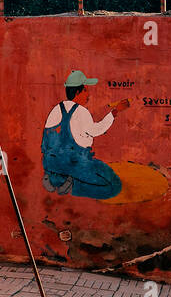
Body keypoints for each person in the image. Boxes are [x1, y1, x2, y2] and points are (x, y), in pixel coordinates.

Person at [40, 70, 127, 200]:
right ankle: (73, 185)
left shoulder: (56, 109)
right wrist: (115, 111)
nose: (88, 94)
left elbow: (46, 141)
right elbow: (97, 130)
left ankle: (54, 177)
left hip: (50, 163)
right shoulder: (81, 111)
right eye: (85, 90)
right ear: (77, 92)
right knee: (114, 186)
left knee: (61, 164)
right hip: (75, 163)